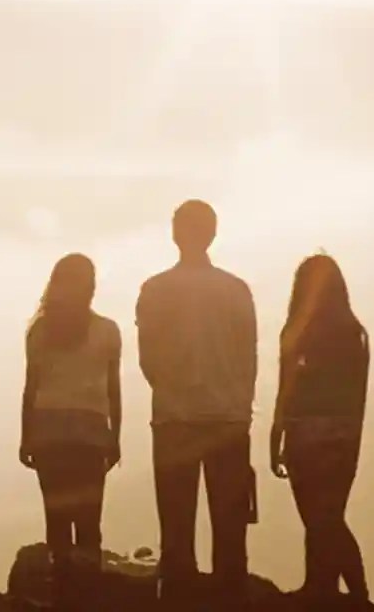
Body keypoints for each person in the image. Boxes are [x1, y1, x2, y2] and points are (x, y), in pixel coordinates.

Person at [136, 200, 258, 608]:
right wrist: (242, 407)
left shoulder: (155, 289)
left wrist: (172, 388)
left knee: (176, 529)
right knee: (230, 529)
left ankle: (177, 600)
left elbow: (147, 357)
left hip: (174, 418)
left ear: (175, 233)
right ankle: (231, 600)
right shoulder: (236, 289)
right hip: (228, 418)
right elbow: (249, 356)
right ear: (213, 233)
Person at [19, 255, 122, 608]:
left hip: (49, 434)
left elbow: (30, 388)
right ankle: (88, 598)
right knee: (89, 523)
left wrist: (25, 436)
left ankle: (62, 596)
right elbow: (113, 389)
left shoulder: (40, 331)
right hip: (91, 435)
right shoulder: (107, 330)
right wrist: (116, 435)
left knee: (57, 521)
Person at [270, 255, 370, 604]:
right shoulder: (353, 332)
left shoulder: (297, 329)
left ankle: (346, 590)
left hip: (305, 433)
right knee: (329, 517)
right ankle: (325, 585)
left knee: (316, 516)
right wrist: (354, 436)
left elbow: (287, 386)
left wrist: (276, 432)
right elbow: (360, 393)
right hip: (343, 435)